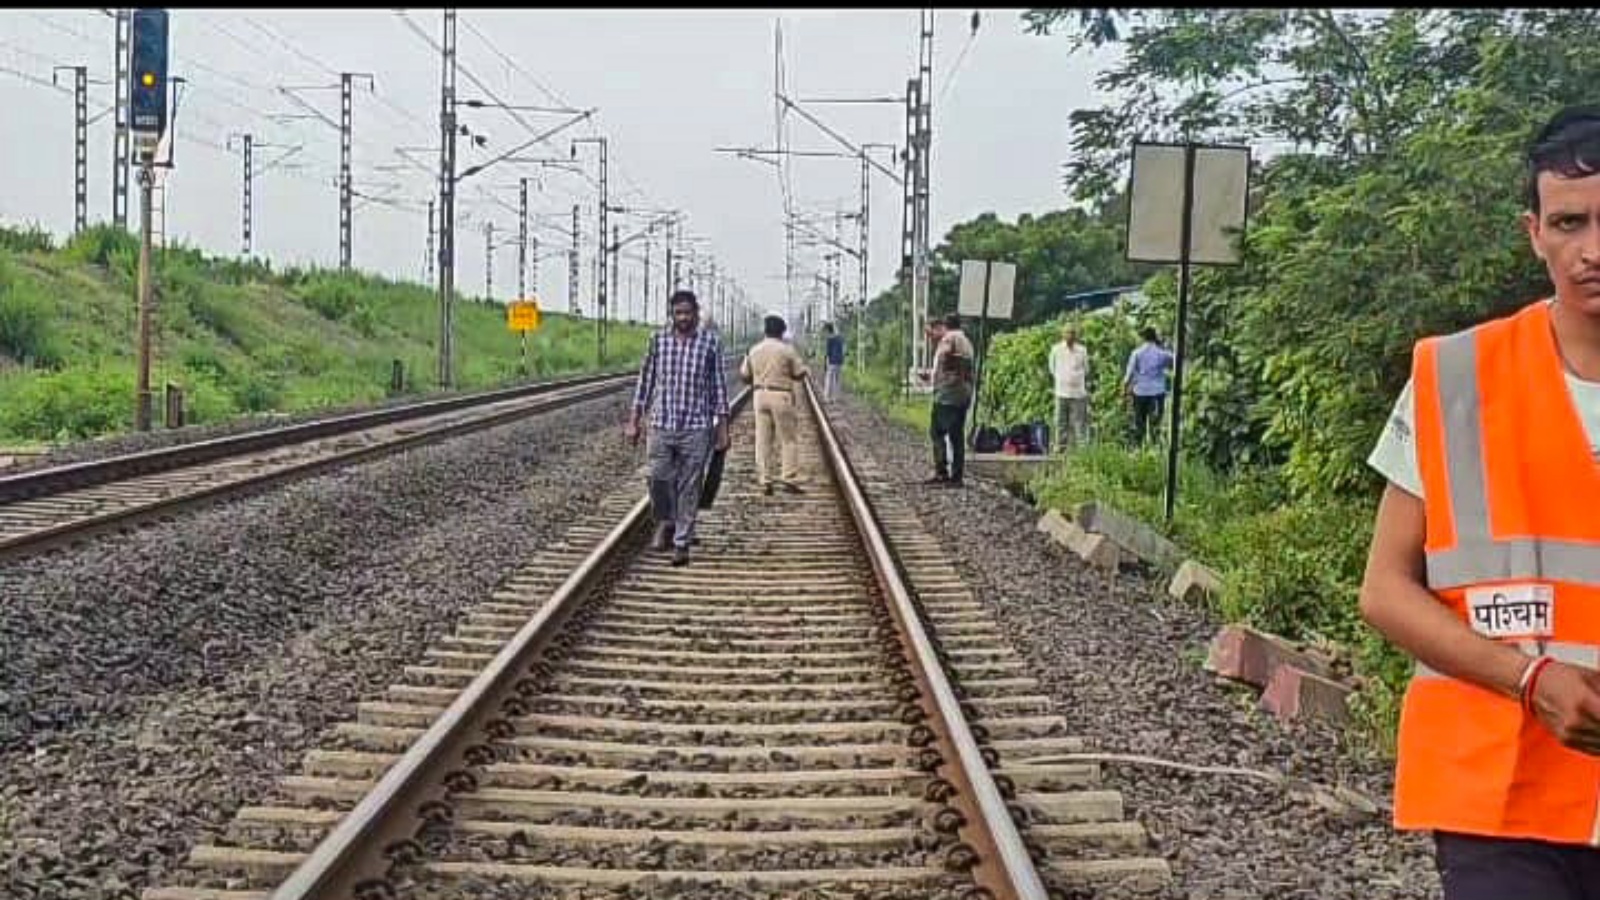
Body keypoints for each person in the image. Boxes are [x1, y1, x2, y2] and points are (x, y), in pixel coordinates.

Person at [1358, 104, 1600, 900]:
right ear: (1534, 231)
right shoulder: (1457, 379)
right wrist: (1528, 680)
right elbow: (1386, 588)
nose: (1592, 250)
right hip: (1501, 797)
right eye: (1569, 222)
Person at [625, 289, 730, 567]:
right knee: (659, 479)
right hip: (661, 423)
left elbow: (719, 387)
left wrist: (722, 428)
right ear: (671, 314)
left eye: (687, 312)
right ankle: (667, 522)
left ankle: (682, 542)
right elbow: (645, 381)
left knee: (689, 486)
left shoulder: (710, 343)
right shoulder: (657, 340)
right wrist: (634, 420)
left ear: (696, 313)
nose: (683, 318)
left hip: (696, 425)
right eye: (678, 313)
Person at [740, 314, 809, 495]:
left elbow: (744, 375)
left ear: (765, 330)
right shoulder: (787, 350)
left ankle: (765, 480)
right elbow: (800, 373)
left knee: (762, 440)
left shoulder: (753, 350)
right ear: (782, 331)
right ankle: (789, 478)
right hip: (781, 395)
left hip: (759, 395)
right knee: (788, 439)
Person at [926, 312, 975, 487]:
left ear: (944, 327)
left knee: (937, 432)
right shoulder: (966, 341)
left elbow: (947, 357)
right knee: (956, 436)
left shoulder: (949, 339)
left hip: (947, 395)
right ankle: (957, 475)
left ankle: (942, 472)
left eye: (934, 330)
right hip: (963, 394)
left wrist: (943, 378)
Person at [1123, 326, 1174, 446]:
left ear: (1143, 338)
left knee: (1139, 424)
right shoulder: (1162, 354)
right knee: (1155, 425)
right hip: (1157, 393)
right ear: (1154, 337)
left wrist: (1124, 390)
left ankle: (1139, 450)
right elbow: (1174, 360)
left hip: (1140, 393)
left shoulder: (1136, 353)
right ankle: (1154, 449)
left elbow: (1129, 374)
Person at [1048, 322, 1091, 451]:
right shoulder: (1056, 349)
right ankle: (1060, 446)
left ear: (1076, 335)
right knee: (1060, 420)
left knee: (1080, 421)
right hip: (1061, 391)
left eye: (1072, 332)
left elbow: (1086, 368)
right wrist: (1061, 378)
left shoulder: (1082, 350)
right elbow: (1052, 368)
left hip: (1078, 392)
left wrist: (1076, 378)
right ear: (1062, 334)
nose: (1070, 335)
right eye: (1067, 332)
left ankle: (1082, 447)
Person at [822, 322, 846, 402]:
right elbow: (843, 350)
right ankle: (835, 397)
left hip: (832, 361)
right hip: (840, 361)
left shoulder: (830, 339)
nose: (825, 332)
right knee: (838, 380)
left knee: (829, 380)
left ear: (828, 330)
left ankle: (826, 397)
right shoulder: (840, 337)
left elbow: (828, 352)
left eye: (825, 330)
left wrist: (825, 362)